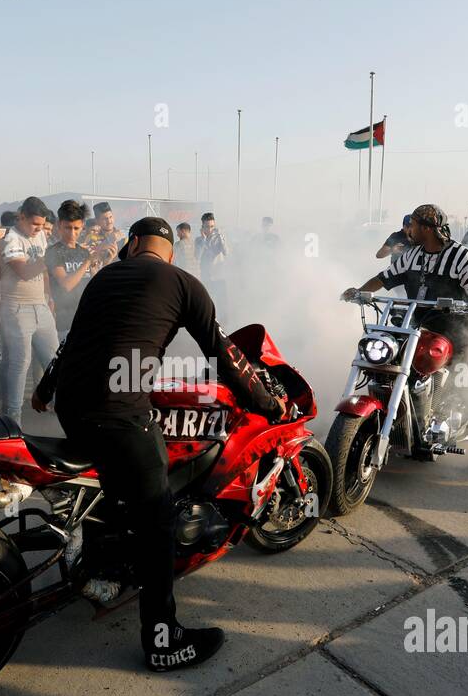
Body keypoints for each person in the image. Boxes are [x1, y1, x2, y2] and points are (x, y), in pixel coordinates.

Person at [32, 216, 287, 672]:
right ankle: (163, 639)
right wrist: (268, 403)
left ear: (131, 244)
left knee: (117, 484)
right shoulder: (185, 283)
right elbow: (223, 354)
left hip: (73, 407)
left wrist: (44, 390)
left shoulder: (103, 277)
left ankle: (104, 566)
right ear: (169, 251)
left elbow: (70, 342)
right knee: (157, 517)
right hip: (120, 412)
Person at [343, 203, 468, 475]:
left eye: (412, 225)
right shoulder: (411, 255)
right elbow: (383, 278)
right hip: (413, 325)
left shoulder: (462, 258)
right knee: (383, 363)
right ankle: (400, 424)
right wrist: (359, 291)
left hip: (453, 330)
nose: (408, 230)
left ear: (426, 228)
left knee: (466, 384)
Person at [0, 197, 57, 425]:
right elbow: (24, 271)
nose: (39, 230)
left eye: (42, 225)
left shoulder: (39, 234)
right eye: (35, 225)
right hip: (16, 308)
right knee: (20, 363)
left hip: (40, 305)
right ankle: (13, 421)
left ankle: (64, 410)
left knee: (53, 360)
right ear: (21, 217)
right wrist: (50, 258)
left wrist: (49, 297)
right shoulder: (11, 239)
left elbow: (43, 273)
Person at [45, 199, 96, 335]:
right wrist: (87, 262)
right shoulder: (53, 252)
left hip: (86, 317)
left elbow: (93, 283)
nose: (72, 233)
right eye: (68, 228)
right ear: (59, 225)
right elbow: (66, 284)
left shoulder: (84, 252)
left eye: (76, 228)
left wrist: (104, 261)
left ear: (82, 226)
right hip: (64, 321)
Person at [194, 211, 229, 311]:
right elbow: (197, 256)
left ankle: (224, 324)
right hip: (206, 277)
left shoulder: (219, 237)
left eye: (212, 226)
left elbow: (226, 252)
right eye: (207, 227)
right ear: (202, 227)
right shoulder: (198, 240)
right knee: (208, 304)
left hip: (219, 276)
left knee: (222, 304)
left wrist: (221, 237)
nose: (210, 229)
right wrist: (204, 240)